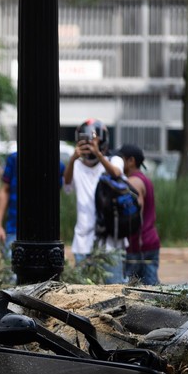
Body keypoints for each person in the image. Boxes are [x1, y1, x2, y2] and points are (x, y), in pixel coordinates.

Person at [63, 119, 126, 283]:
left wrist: (98, 154)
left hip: (110, 242)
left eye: (93, 141)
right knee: (84, 291)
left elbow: (116, 174)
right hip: (82, 241)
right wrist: (72, 159)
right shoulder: (76, 165)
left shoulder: (114, 160)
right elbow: (67, 185)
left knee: (114, 288)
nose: (90, 145)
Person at [0, 151, 66, 258]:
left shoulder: (56, 165)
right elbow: (5, 190)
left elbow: (54, 198)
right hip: (15, 229)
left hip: (44, 233)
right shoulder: (14, 159)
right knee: (13, 265)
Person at [117, 144, 160, 285]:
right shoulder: (144, 179)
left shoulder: (133, 182)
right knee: (152, 287)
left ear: (131, 161)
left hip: (139, 246)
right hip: (150, 241)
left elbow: (134, 216)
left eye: (121, 159)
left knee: (134, 290)